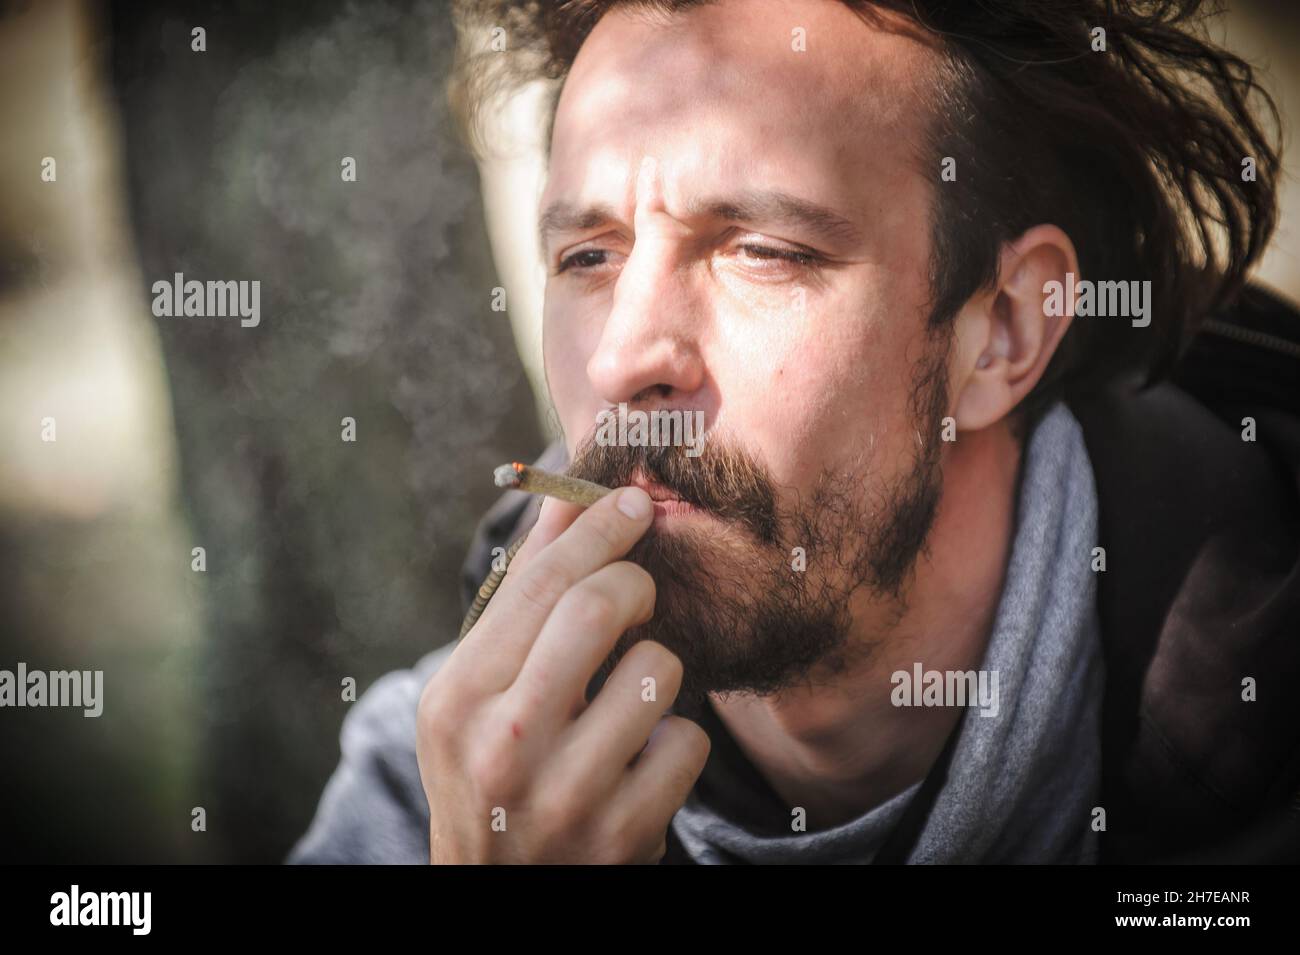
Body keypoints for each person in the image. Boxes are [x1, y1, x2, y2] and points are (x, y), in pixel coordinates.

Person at [289, 0, 1300, 864]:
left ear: (1001, 332)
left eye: (762, 250)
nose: (622, 360)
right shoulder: (446, 787)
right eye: (588, 257)